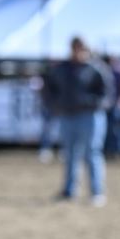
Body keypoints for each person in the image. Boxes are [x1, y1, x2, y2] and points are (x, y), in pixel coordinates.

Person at [45, 36, 111, 206]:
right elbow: (49, 89)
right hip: (67, 115)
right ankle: (69, 190)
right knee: (70, 154)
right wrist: (55, 105)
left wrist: (91, 102)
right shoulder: (62, 69)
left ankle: (97, 192)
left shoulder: (96, 68)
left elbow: (107, 94)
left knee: (92, 153)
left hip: (90, 116)